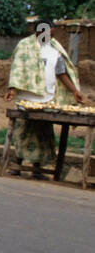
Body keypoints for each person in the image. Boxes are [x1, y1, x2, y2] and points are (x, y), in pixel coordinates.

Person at [5, 20, 87, 176]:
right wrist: (12, 89)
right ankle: (17, 165)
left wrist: (75, 91)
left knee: (42, 133)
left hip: (46, 99)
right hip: (26, 99)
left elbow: (61, 73)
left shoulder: (55, 50)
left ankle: (36, 168)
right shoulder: (25, 46)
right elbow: (17, 69)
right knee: (22, 132)